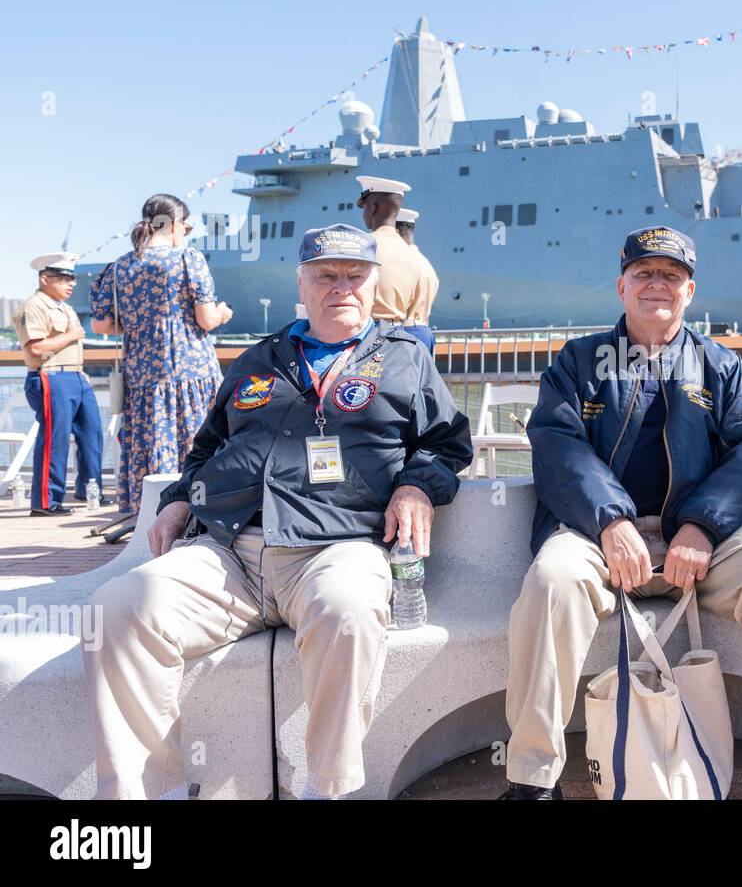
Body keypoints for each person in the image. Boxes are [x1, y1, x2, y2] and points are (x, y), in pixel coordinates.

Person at [81, 223, 473, 799]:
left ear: (372, 284)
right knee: (116, 609)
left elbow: (448, 444)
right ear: (302, 283)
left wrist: (416, 486)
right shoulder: (258, 359)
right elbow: (207, 446)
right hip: (230, 554)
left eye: (353, 276)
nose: (341, 287)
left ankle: (328, 789)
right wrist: (181, 498)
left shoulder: (404, 359)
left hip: (336, 549)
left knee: (350, 611)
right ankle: (149, 797)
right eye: (326, 276)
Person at [500, 225, 742, 800]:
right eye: (645, 274)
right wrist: (611, 521)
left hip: (700, 541)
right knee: (552, 581)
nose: (658, 284)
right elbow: (557, 444)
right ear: (622, 286)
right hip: (594, 535)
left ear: (689, 291)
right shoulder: (577, 362)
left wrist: (703, 525)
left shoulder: (719, 366)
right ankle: (532, 779)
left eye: (671, 276)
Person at [89, 194, 231, 515]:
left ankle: (151, 515)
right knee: (197, 442)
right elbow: (206, 319)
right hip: (188, 372)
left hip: (142, 377)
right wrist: (222, 313)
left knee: (149, 441)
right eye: (188, 226)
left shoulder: (120, 266)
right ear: (175, 224)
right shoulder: (187, 259)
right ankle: (197, 515)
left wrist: (143, 323)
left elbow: (101, 324)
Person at [13, 253, 108, 515]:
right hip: (50, 376)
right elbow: (35, 350)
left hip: (76, 376)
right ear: (45, 279)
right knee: (55, 441)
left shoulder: (64, 308)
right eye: (65, 278)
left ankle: (90, 490)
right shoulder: (33, 307)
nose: (71, 283)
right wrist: (71, 336)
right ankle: (46, 502)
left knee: (92, 435)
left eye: (72, 278)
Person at [358, 176, 438, 350]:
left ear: (373, 207)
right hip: (400, 334)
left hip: (368, 334)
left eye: (364, 207)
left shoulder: (364, 245)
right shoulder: (413, 255)